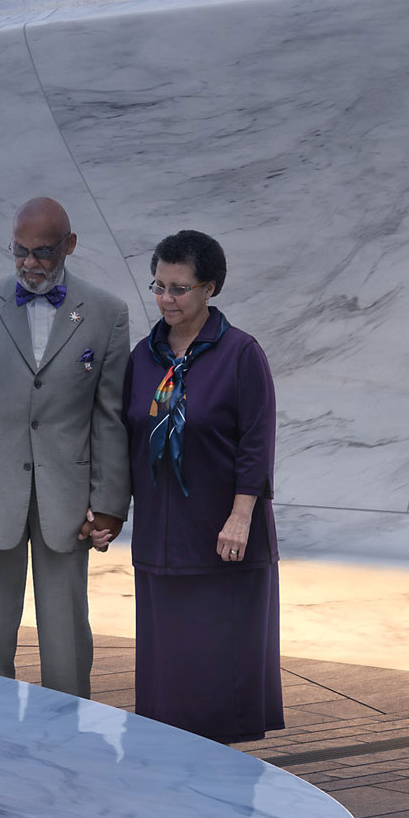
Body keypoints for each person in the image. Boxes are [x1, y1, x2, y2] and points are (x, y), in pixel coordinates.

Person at [0, 197, 132, 698]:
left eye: (42, 252)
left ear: (70, 245)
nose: (29, 264)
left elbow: (110, 418)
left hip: (67, 500)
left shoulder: (108, 313)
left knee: (66, 634)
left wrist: (110, 504)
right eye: (19, 251)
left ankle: (67, 732)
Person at [116, 229, 283, 743]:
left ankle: (225, 780)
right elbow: (125, 438)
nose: (166, 298)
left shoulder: (240, 353)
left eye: (179, 288)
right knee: (170, 675)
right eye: (159, 286)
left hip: (223, 540)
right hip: (162, 540)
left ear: (210, 287)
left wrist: (240, 516)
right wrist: (107, 512)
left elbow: (256, 441)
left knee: (220, 670)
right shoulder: (144, 356)